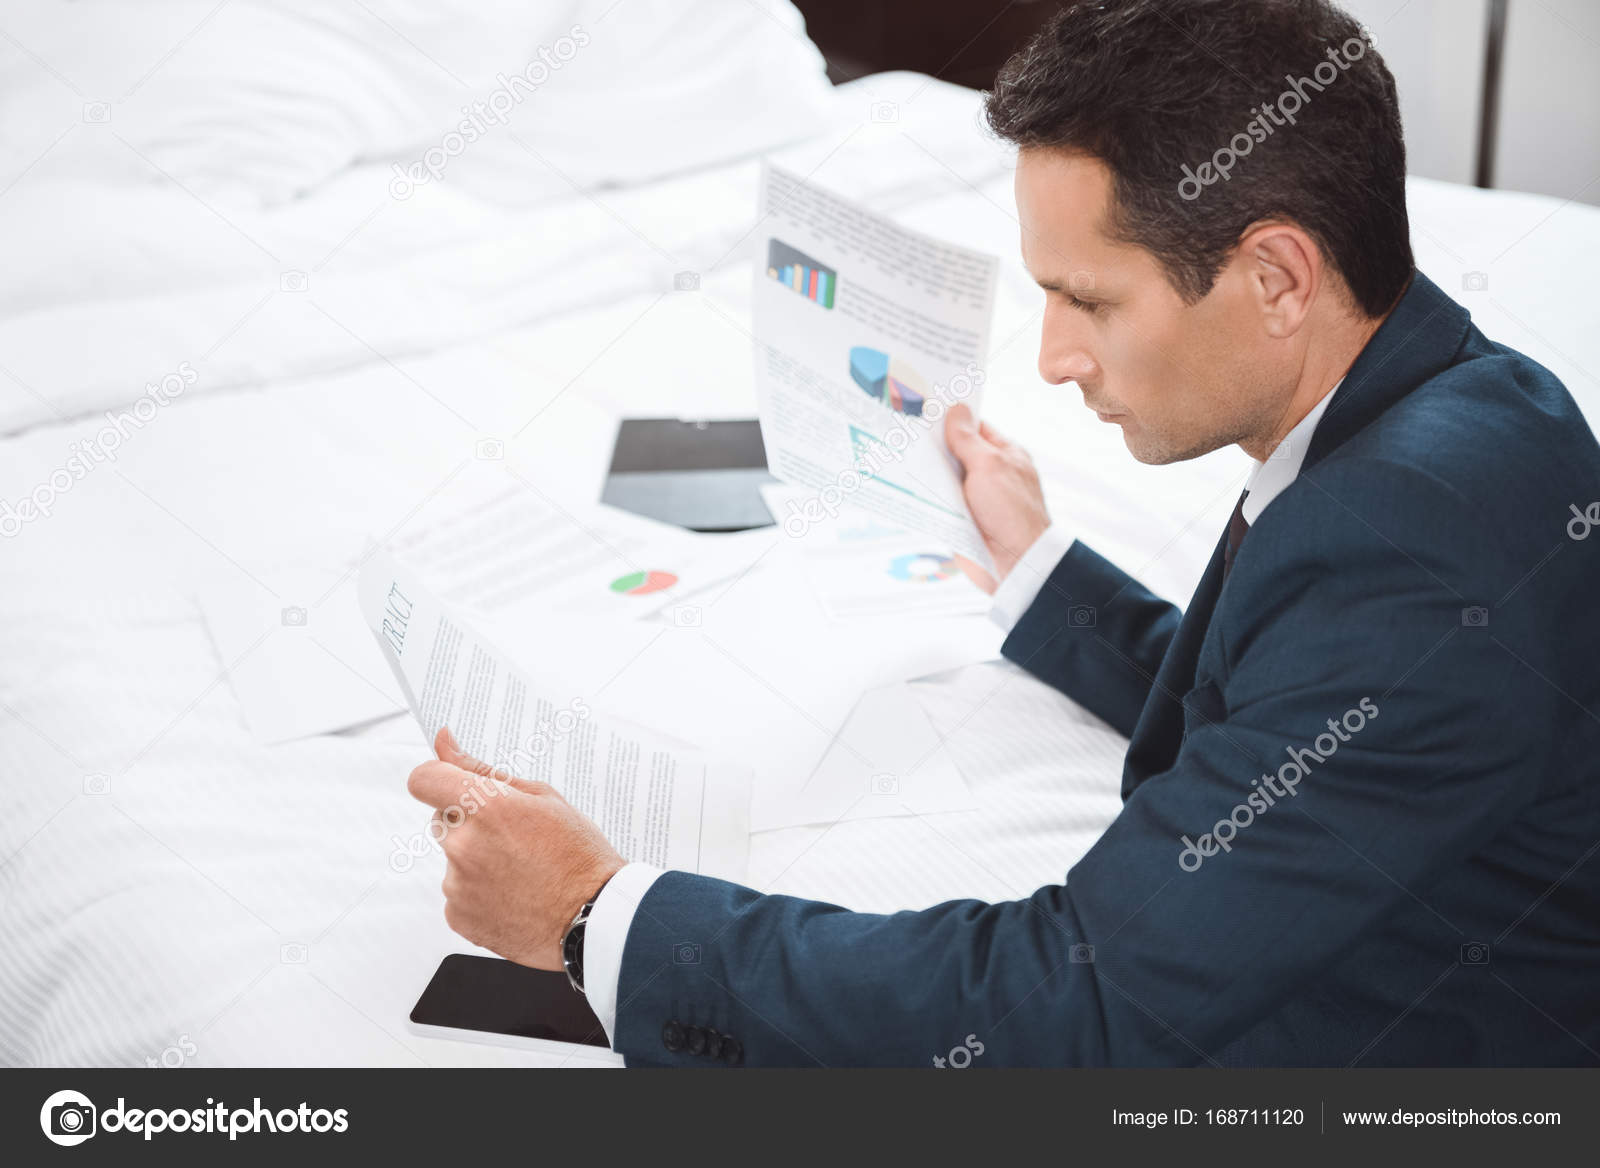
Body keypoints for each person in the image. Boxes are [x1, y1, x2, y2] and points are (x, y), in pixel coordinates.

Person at [405, 0, 1600, 1066]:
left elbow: (1078, 1008)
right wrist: (1042, 572)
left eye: (1089, 299)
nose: (1053, 358)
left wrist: (591, 911)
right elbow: (1300, 715)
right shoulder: (1455, 404)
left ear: (1278, 277)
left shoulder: (1410, 541)